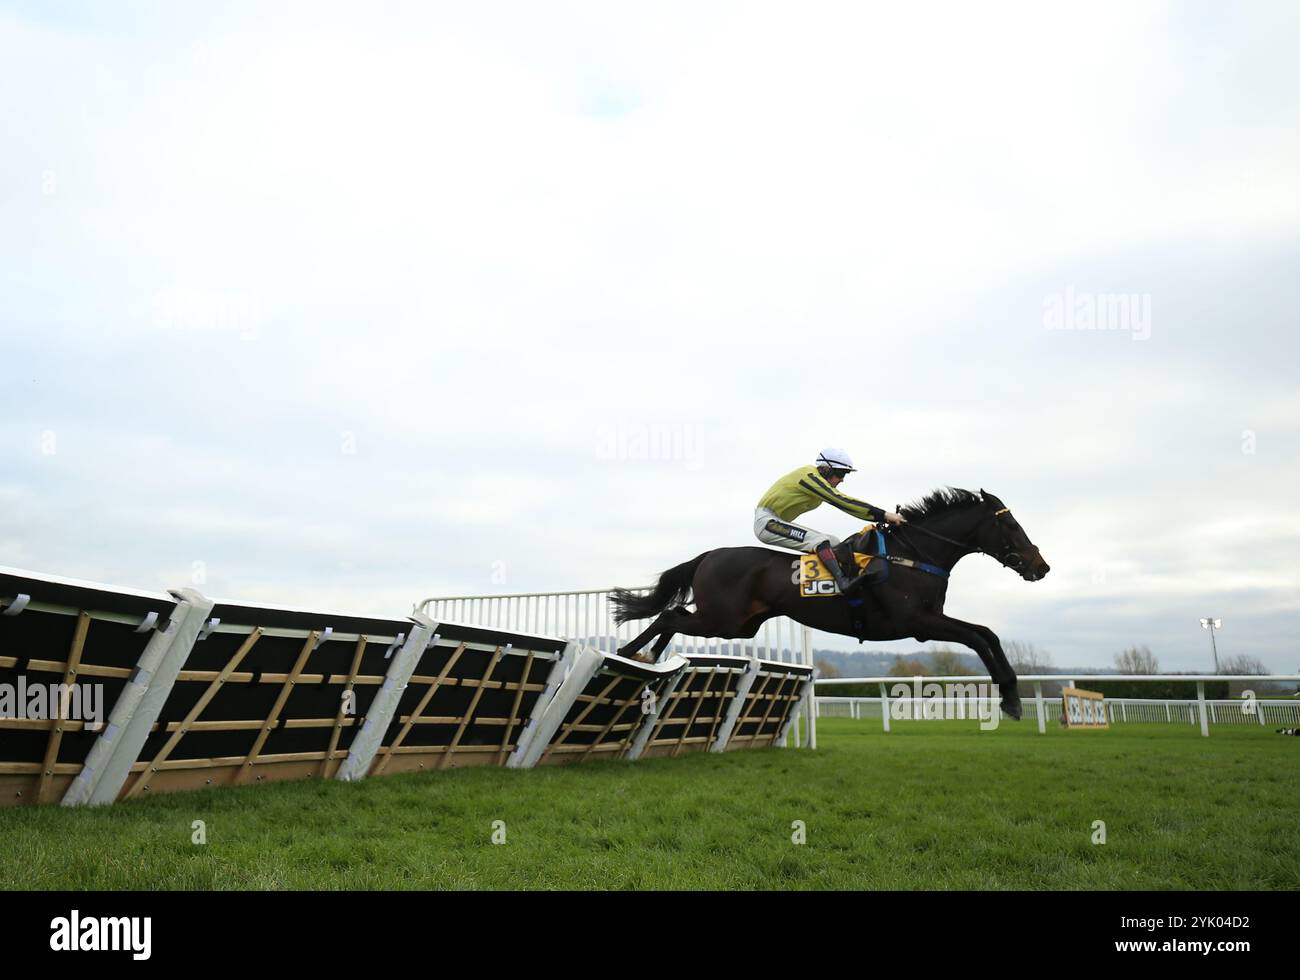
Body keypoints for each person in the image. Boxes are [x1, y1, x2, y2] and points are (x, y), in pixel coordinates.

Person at [754, 448, 905, 594]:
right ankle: (843, 582)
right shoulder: (808, 476)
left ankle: (829, 581)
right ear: (826, 468)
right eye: (840, 473)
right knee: (821, 540)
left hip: (776, 521)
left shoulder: (818, 481)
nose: (842, 479)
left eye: (844, 474)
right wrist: (884, 515)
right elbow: (842, 501)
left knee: (834, 542)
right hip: (767, 522)